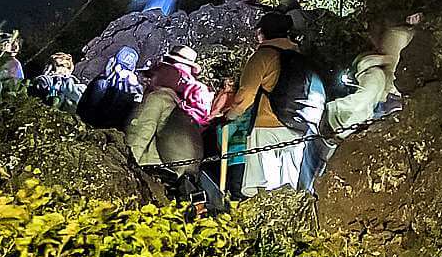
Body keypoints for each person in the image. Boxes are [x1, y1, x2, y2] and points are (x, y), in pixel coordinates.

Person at [301, 16, 419, 188]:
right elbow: (360, 104)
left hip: (340, 124)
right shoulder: (378, 75)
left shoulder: (379, 73)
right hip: (338, 127)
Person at [223, 12, 325, 197]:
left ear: (261, 32)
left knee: (264, 184)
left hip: (266, 127)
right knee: (290, 184)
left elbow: (247, 92)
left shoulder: (263, 56)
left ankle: (264, 214)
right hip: (297, 126)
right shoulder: (301, 57)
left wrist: (230, 115)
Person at [125, 45, 216, 180]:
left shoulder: (158, 98)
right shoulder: (181, 103)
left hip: (150, 166)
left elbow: (141, 132)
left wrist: (127, 167)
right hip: (174, 171)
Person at [77, 46, 143, 128]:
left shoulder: (132, 85)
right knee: (101, 85)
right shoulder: (102, 82)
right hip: (92, 119)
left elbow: (137, 102)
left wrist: (135, 85)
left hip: (113, 124)